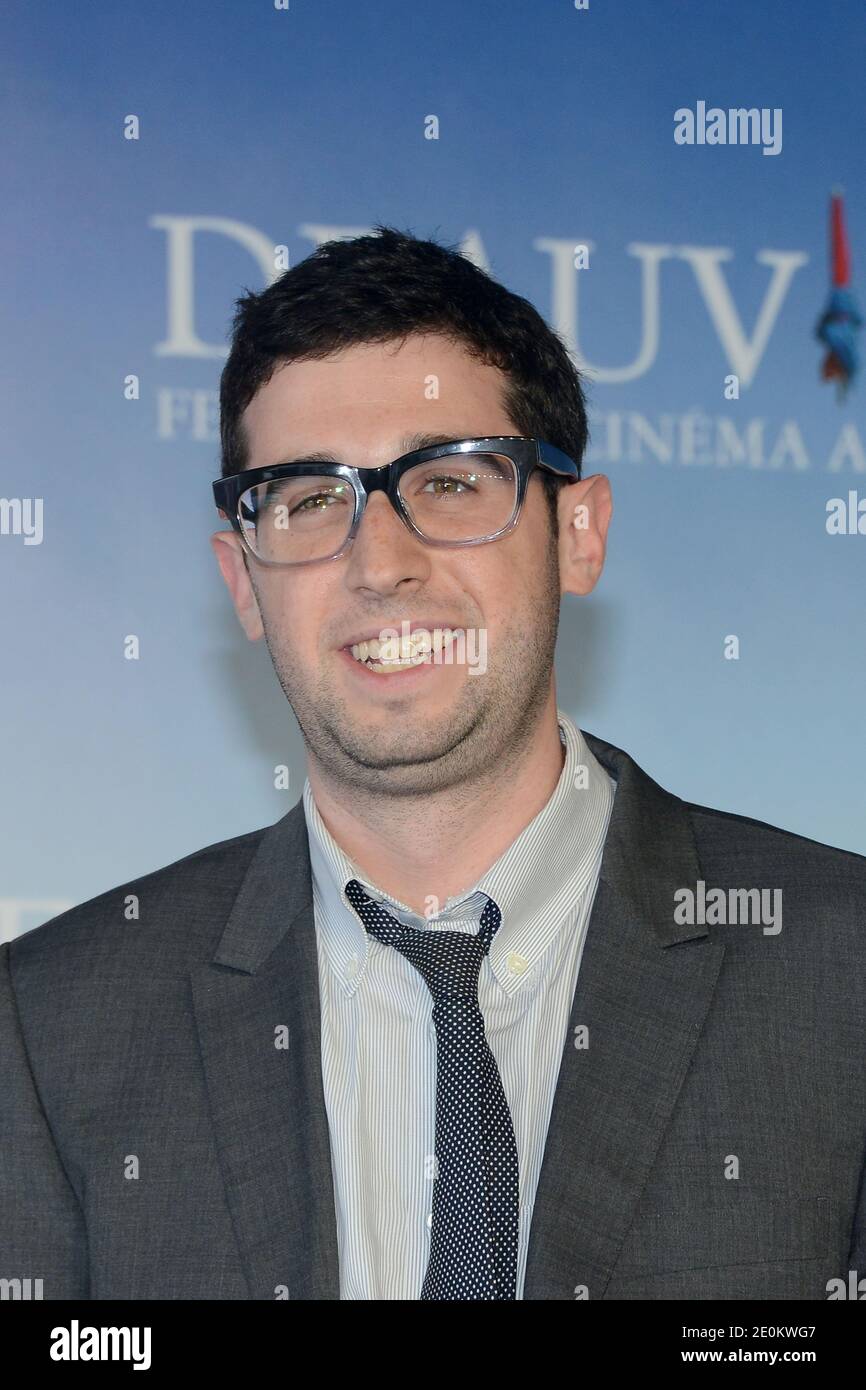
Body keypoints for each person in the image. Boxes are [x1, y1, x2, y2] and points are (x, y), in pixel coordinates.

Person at [3, 227, 865, 1302]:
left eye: (450, 481)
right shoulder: (49, 1032)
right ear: (241, 579)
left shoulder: (841, 973)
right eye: (311, 499)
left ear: (578, 533)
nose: (380, 564)